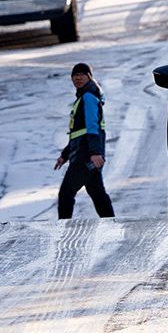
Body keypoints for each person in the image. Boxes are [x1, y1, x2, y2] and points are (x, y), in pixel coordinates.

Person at [54, 62, 115, 219]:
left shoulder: (88, 97)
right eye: (75, 76)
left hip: (85, 155)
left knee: (66, 193)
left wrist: (95, 152)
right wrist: (65, 155)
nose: (78, 78)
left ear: (89, 77)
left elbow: (92, 126)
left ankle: (64, 228)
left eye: (82, 75)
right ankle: (111, 223)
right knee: (97, 192)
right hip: (84, 153)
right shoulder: (83, 97)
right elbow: (77, 133)